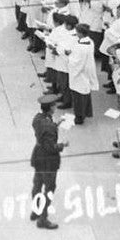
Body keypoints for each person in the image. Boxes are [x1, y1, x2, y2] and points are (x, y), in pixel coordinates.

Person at [30, 93, 66, 229]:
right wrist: (62, 145)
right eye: (54, 105)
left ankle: (36, 210)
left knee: (37, 184)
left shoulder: (37, 119)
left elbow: (44, 132)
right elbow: (51, 147)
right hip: (49, 160)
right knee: (49, 188)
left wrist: (55, 124)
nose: (55, 107)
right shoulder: (49, 126)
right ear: (51, 108)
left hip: (38, 155)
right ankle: (43, 218)